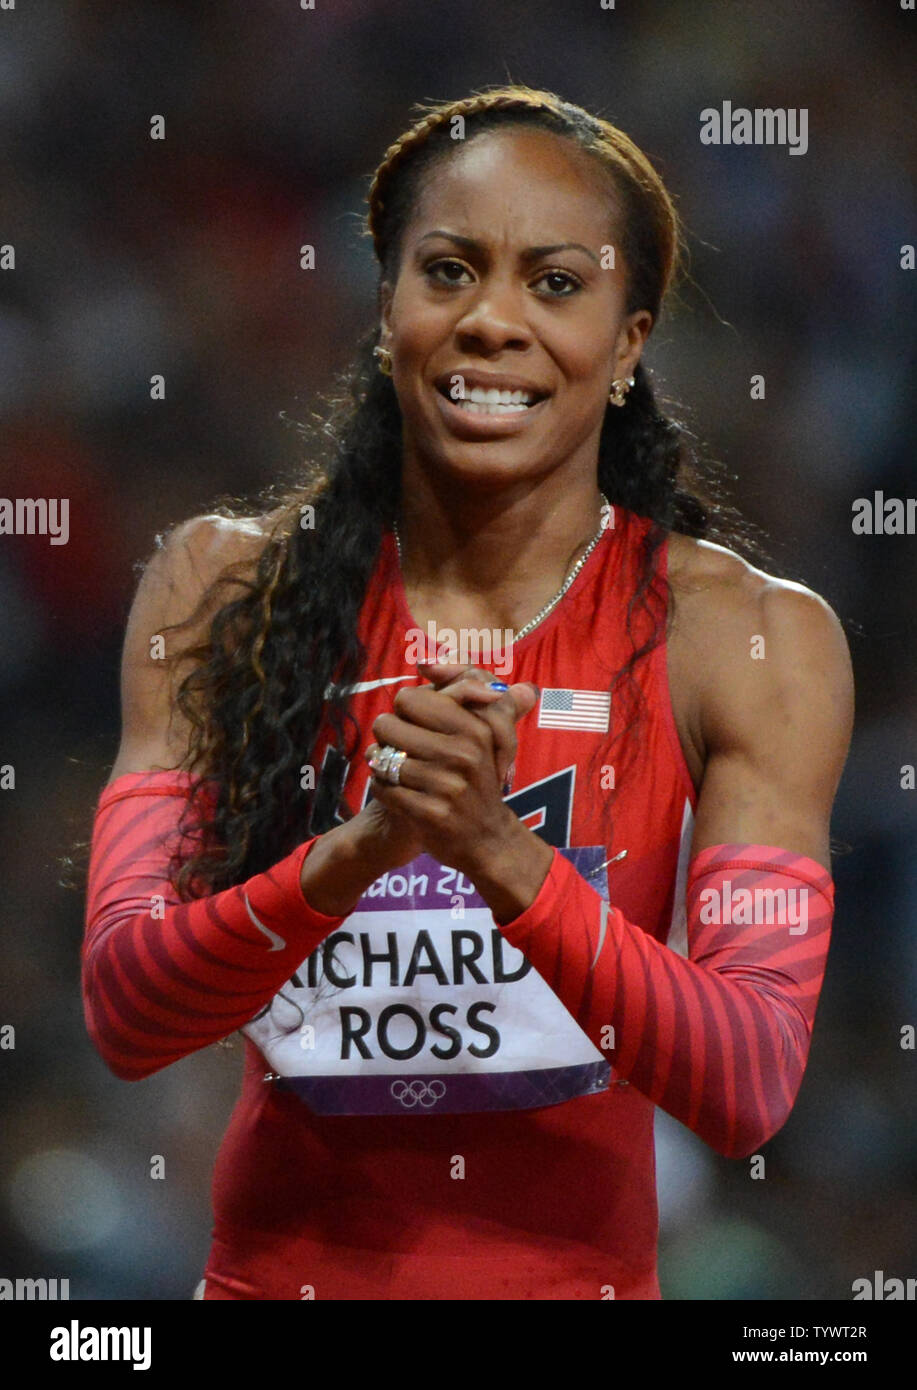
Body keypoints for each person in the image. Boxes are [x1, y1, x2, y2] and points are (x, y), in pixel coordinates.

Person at [81, 85, 854, 1301]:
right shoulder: (219, 590)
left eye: (554, 284)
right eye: (447, 271)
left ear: (630, 342)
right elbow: (127, 1007)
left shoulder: (746, 638)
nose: (493, 320)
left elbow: (747, 1079)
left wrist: (499, 853)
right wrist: (361, 853)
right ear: (387, 306)